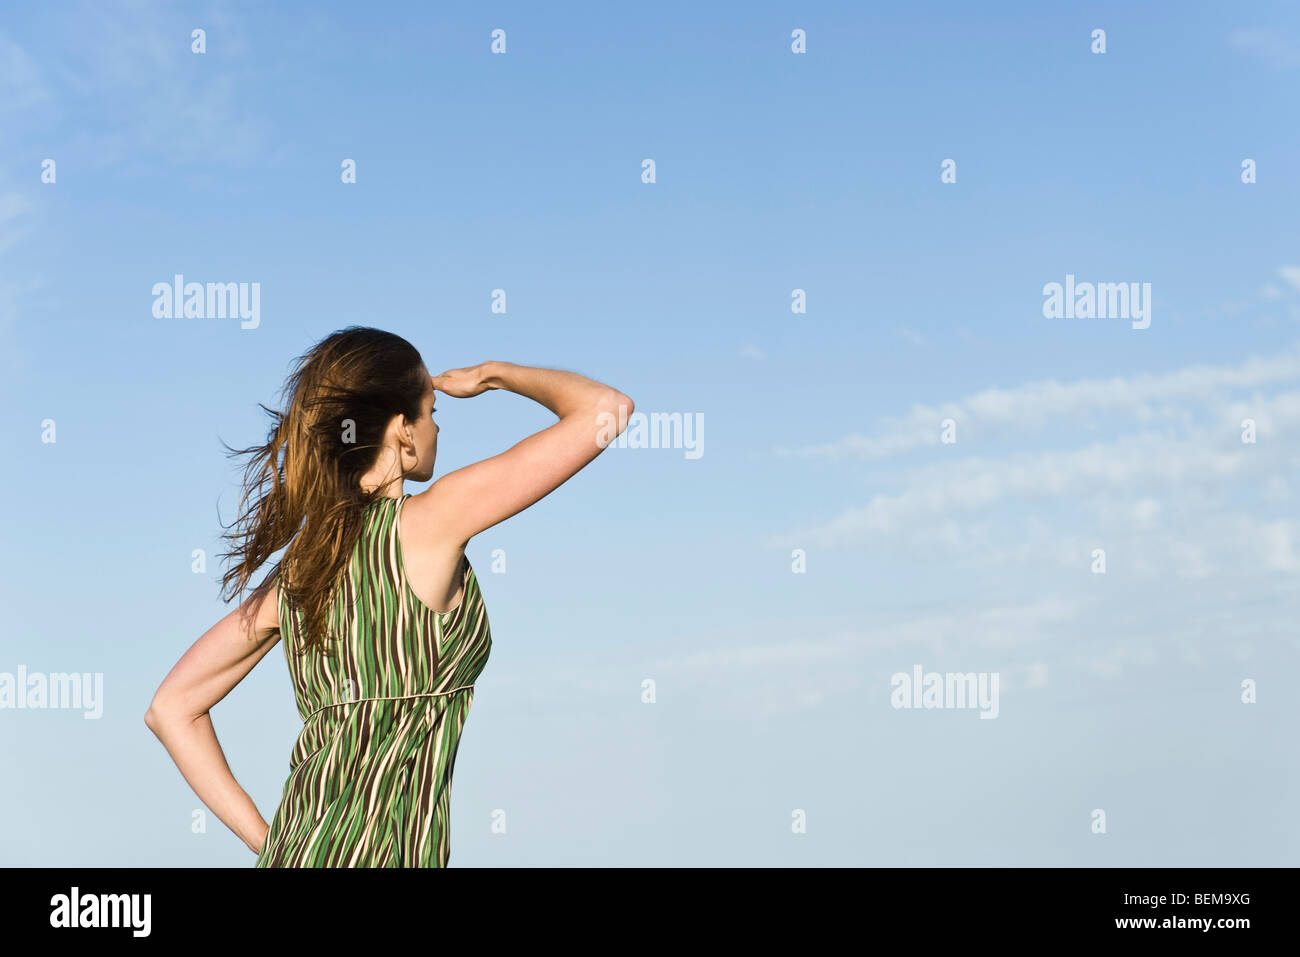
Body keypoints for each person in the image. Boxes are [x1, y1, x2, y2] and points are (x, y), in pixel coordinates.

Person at [143, 326, 634, 866]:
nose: (437, 427)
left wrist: (277, 846)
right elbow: (606, 409)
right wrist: (493, 375)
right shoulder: (434, 519)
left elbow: (171, 708)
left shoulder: (301, 573)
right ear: (403, 432)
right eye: (431, 411)